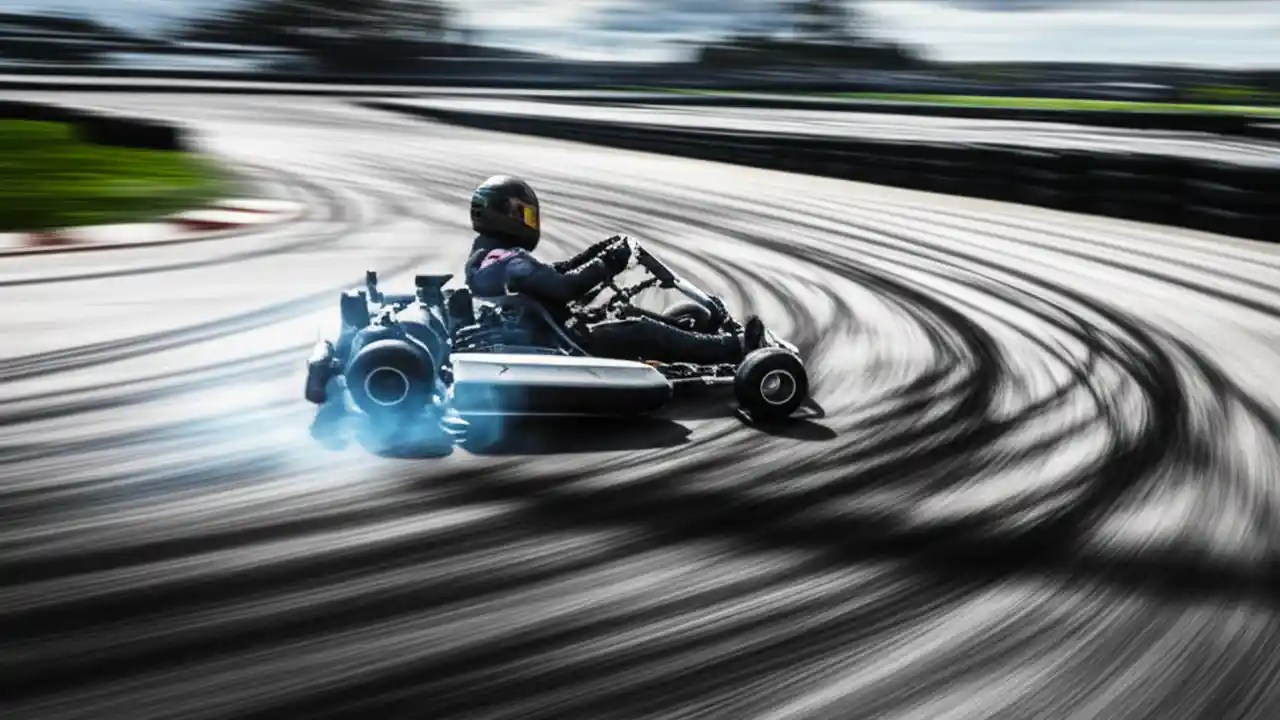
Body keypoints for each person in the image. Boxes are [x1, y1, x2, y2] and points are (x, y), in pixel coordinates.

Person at [463, 175, 768, 365]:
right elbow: (565, 288)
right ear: (500, 215)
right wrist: (611, 261)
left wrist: (599, 253)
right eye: (523, 214)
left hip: (553, 330)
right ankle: (735, 347)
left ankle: (697, 340)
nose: (529, 222)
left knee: (630, 316)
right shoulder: (506, 261)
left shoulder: (488, 257)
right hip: (570, 342)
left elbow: (552, 274)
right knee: (642, 329)